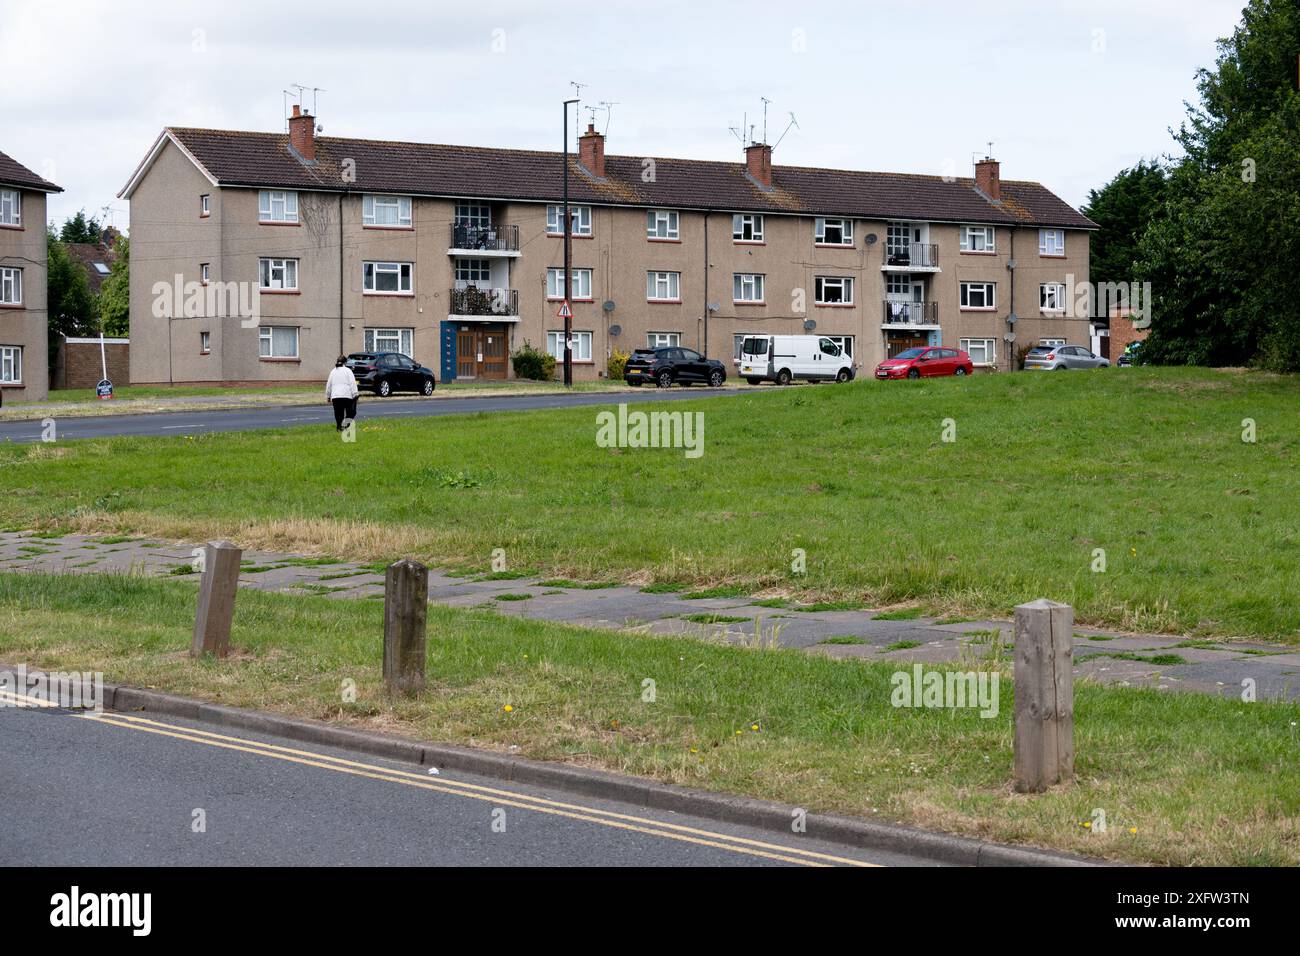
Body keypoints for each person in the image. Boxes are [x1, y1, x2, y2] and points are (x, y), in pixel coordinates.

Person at [325, 356, 359, 431]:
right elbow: (352, 383)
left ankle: (339, 427)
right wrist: (355, 394)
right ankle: (345, 426)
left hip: (336, 396)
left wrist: (328, 396)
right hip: (347, 396)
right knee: (351, 412)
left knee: (338, 414)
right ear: (345, 363)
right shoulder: (348, 371)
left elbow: (329, 384)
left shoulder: (333, 371)